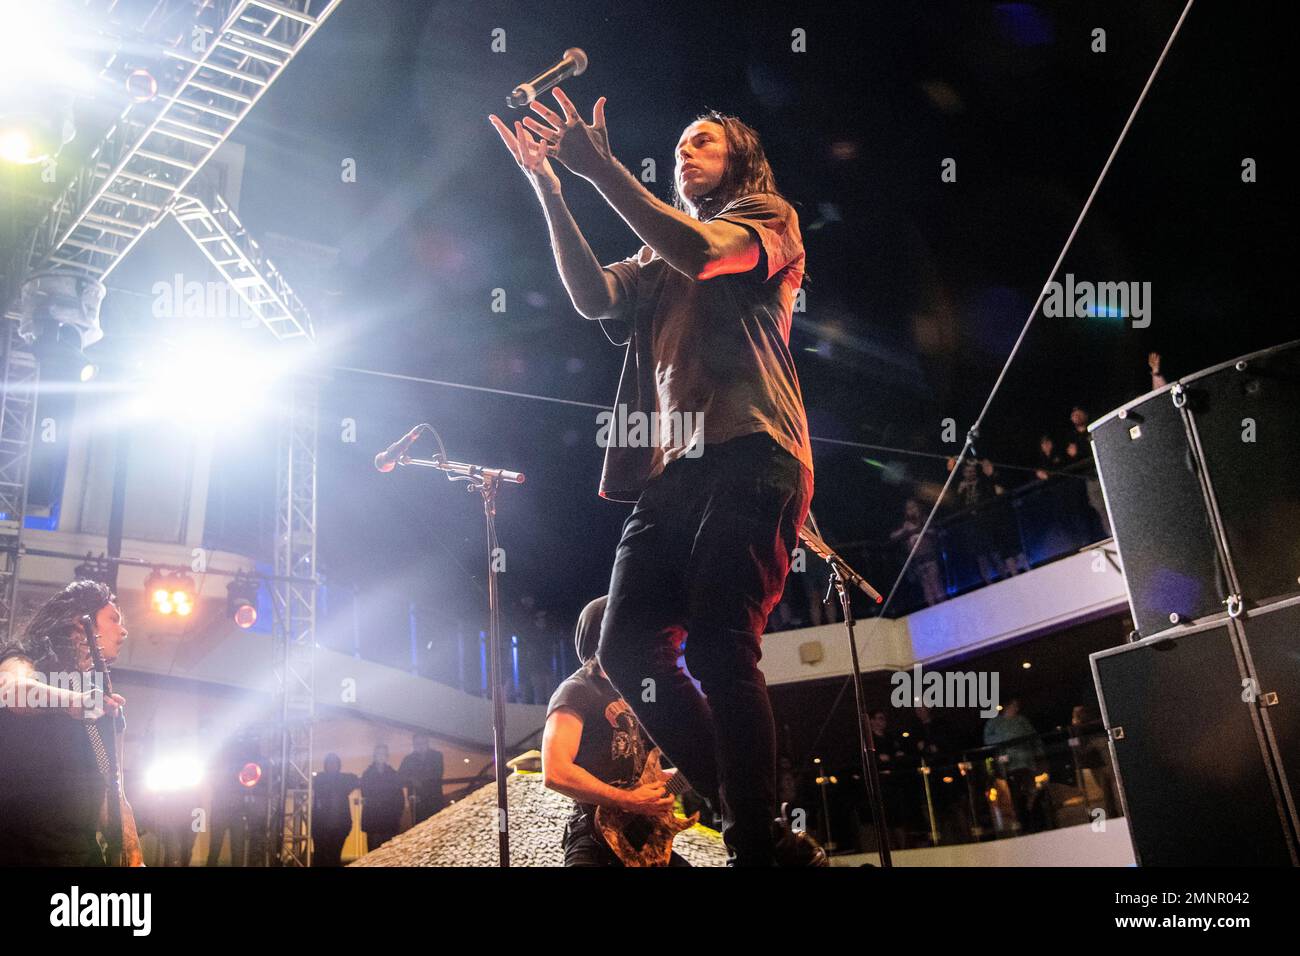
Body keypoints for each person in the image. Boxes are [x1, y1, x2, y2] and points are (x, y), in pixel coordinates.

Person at [490, 91, 814, 866]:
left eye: (703, 141)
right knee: (627, 649)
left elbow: (702, 253)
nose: (685, 152)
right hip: (673, 472)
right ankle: (757, 830)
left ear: (739, 159)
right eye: (678, 145)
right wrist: (553, 187)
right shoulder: (651, 258)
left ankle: (757, 840)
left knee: (719, 645)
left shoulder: (765, 216)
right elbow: (591, 294)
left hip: (755, 448)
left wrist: (601, 168)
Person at [0, 579, 143, 866]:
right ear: (81, 622)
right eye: (113, 619)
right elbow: (9, 690)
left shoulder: (102, 700)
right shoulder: (25, 660)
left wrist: (135, 859)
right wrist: (75, 702)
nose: (123, 630)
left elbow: (113, 792)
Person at [542, 596, 691, 867]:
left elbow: (638, 772)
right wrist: (629, 800)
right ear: (607, 634)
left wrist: (679, 777)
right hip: (594, 838)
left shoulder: (638, 693)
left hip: (644, 838)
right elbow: (555, 771)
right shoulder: (576, 690)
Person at [983, 698, 1046, 834]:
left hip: (1027, 764)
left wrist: (1038, 754)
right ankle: (1023, 825)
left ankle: (1037, 823)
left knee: (1031, 793)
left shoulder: (1022, 721)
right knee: (1016, 796)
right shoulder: (994, 724)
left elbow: (1033, 737)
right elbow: (988, 740)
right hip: (1009, 767)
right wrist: (1007, 740)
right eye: (1014, 706)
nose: (1016, 709)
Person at [311, 753, 358, 866]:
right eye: (330, 763)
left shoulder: (341, 780)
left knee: (333, 857)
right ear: (325, 765)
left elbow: (355, 779)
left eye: (334, 763)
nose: (332, 766)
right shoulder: (321, 780)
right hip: (322, 828)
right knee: (321, 857)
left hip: (338, 828)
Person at [360, 744, 404, 851]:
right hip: (377, 821)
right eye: (379, 753)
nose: (381, 756)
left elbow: (399, 797)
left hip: (387, 821)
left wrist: (397, 814)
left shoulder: (369, 774)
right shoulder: (391, 774)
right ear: (374, 755)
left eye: (383, 753)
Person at [399, 733, 445, 824]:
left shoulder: (437, 756)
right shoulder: (408, 759)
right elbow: (400, 776)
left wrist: (415, 779)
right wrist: (412, 779)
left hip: (433, 798)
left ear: (427, 742)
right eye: (417, 744)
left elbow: (438, 773)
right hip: (417, 800)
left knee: (436, 824)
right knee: (420, 825)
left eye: (422, 743)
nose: (420, 746)